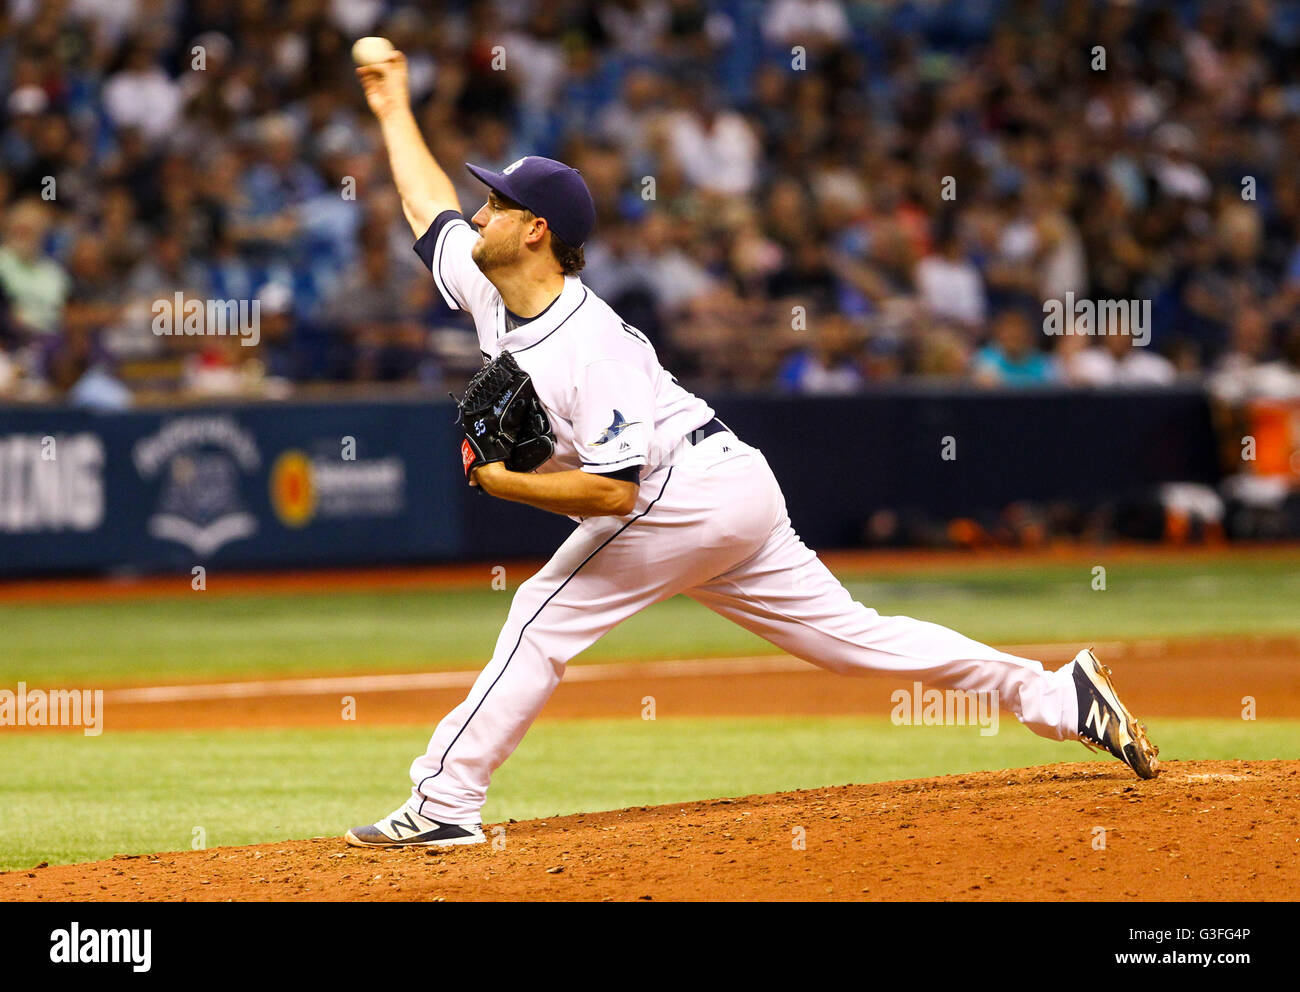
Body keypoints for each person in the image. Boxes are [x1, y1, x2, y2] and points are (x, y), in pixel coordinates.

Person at [345, 50, 1160, 849]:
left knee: (539, 617)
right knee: (851, 641)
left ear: (536, 230)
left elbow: (616, 494)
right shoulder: (492, 287)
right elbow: (427, 210)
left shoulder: (593, 345)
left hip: (681, 491)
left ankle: (444, 802)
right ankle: (1057, 696)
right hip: (725, 486)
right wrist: (392, 106)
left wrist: (498, 482)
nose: (477, 214)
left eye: (496, 204)